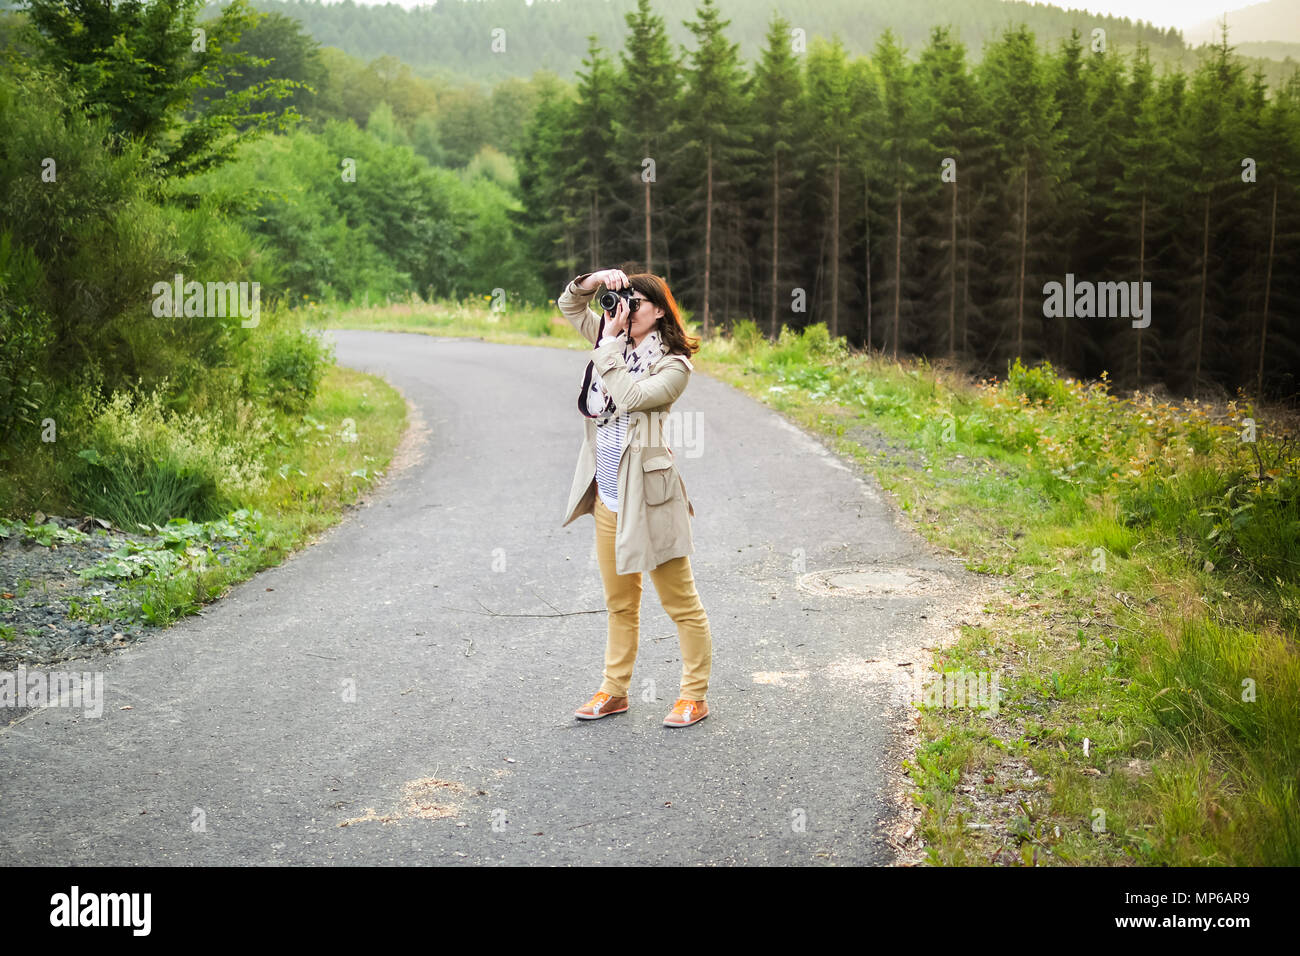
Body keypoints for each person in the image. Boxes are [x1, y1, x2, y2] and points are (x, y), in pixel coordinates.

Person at [556, 266, 713, 728]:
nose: (623, 311)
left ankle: (693, 696)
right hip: (608, 494)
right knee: (619, 602)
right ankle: (614, 690)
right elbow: (569, 304)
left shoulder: (674, 366)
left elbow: (629, 397)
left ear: (659, 310)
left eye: (635, 304)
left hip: (650, 498)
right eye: (620, 302)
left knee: (680, 602)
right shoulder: (613, 336)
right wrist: (595, 281)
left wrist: (606, 345)